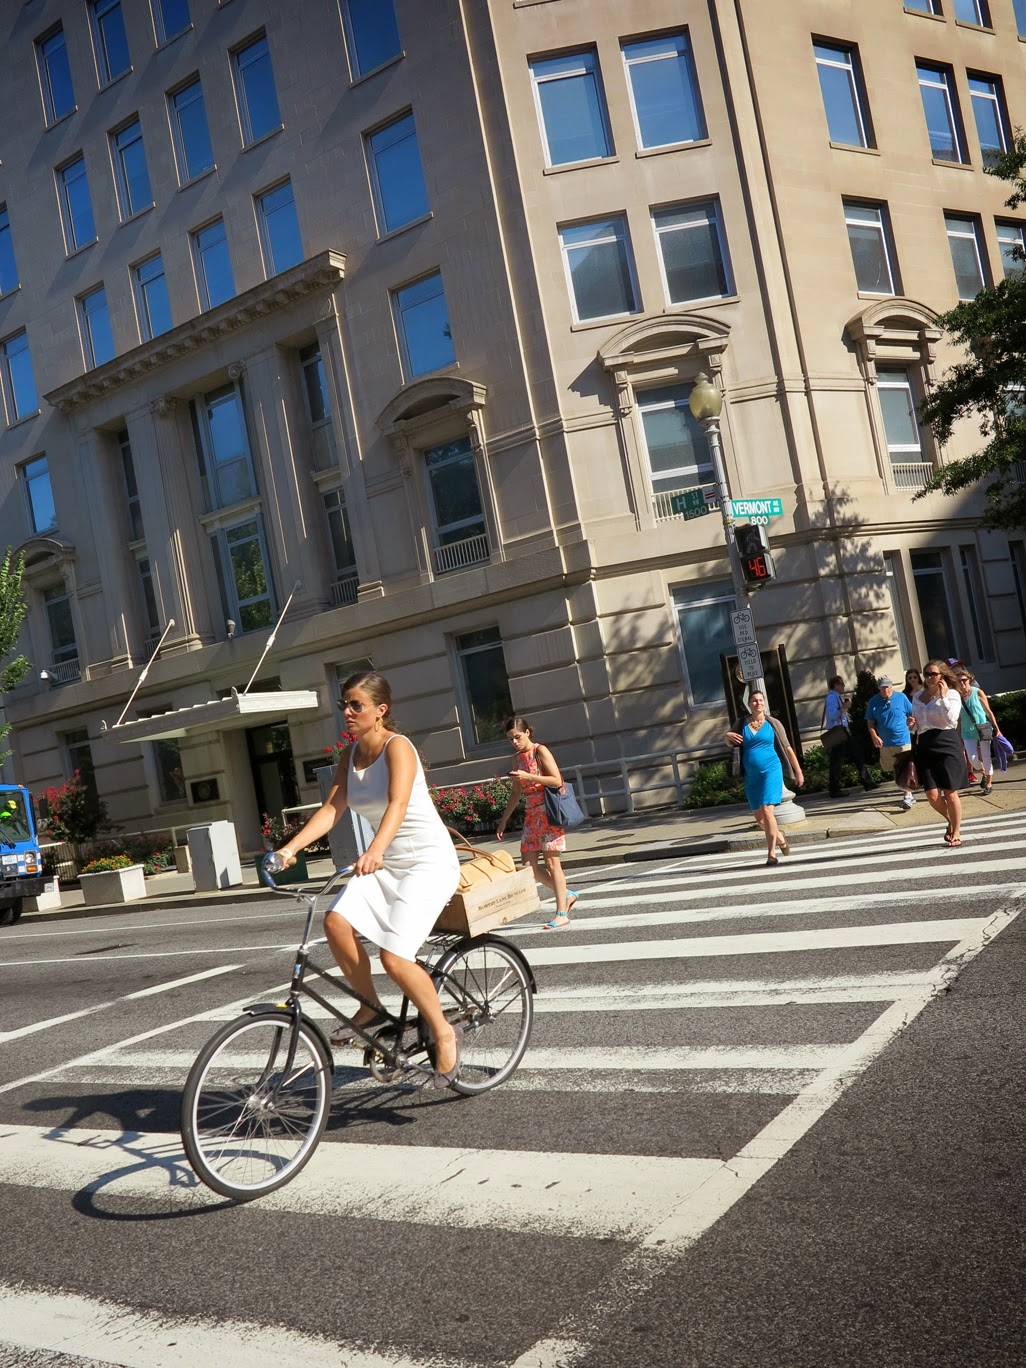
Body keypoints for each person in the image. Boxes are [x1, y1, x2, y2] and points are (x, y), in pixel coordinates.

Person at [273, 671, 463, 1087]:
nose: (347, 712)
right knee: (335, 922)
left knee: (394, 958)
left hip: (426, 861)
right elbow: (331, 809)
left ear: (381, 710)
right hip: (386, 860)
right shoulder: (351, 753)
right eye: (344, 704)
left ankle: (444, 1032)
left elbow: (396, 804)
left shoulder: (399, 748)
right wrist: (290, 849)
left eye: (355, 704)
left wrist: (374, 850)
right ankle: (371, 1007)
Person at [495, 716, 578, 929]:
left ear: (528, 733)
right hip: (531, 814)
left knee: (552, 863)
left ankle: (562, 913)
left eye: (517, 737)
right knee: (528, 866)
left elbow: (557, 780)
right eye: (510, 739)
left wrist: (529, 777)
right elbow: (516, 793)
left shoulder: (540, 751)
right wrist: (504, 820)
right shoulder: (517, 759)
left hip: (548, 812)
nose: (514, 742)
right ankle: (567, 894)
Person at [725, 691, 804, 866]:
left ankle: (771, 854)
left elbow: (788, 748)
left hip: (771, 771)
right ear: (749, 703)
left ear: (764, 703)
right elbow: (731, 742)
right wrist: (726, 736)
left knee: (768, 812)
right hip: (751, 776)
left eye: (760, 700)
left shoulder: (773, 724)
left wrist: (798, 771)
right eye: (754, 700)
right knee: (760, 818)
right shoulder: (740, 723)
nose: (757, 703)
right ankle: (781, 837)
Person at [911, 660, 967, 847]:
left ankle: (956, 830)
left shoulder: (952, 694)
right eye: (926, 673)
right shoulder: (918, 697)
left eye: (933, 674)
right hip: (926, 746)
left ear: (942, 676)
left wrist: (942, 697)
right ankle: (951, 820)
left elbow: (952, 720)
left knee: (951, 793)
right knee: (932, 796)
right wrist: (911, 726)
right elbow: (918, 726)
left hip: (947, 743)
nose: (928, 677)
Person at [865, 675, 917, 809]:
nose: (885, 690)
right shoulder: (874, 701)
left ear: (891, 686)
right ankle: (909, 792)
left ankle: (907, 796)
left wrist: (911, 722)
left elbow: (912, 714)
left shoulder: (901, 698)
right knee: (894, 768)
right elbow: (870, 722)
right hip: (886, 742)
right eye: (882, 688)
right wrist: (874, 736)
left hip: (902, 739)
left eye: (887, 687)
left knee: (904, 766)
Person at [822, 675, 874, 798]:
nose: (844, 686)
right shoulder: (832, 698)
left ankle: (867, 782)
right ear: (836, 685)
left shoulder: (836, 697)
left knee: (856, 755)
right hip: (838, 732)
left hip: (842, 731)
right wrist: (844, 708)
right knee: (837, 761)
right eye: (842, 684)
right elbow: (832, 715)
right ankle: (835, 789)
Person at [955, 668, 1002, 796]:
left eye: (964, 680)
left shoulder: (978, 692)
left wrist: (997, 729)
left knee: (986, 756)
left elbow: (988, 712)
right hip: (967, 731)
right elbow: (959, 719)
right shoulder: (957, 697)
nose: (962, 683)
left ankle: (989, 783)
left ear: (969, 680)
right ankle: (984, 773)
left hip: (983, 728)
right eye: (959, 681)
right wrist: (958, 736)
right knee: (973, 759)